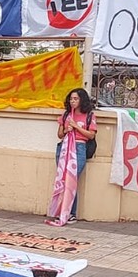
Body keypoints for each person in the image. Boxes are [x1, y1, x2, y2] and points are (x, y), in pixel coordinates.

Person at [46, 88, 98, 227]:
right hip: (64, 148)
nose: (73, 101)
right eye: (71, 99)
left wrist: (76, 127)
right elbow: (59, 135)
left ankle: (71, 213)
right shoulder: (66, 115)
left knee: (72, 180)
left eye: (76, 99)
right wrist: (66, 129)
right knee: (63, 180)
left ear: (82, 100)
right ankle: (61, 211)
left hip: (79, 148)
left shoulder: (89, 116)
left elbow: (91, 135)